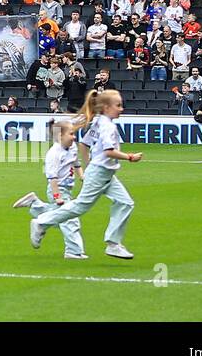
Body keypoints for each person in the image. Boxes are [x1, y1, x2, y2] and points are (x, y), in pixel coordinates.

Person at [29, 88, 142, 260]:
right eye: (118, 105)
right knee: (80, 206)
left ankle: (113, 244)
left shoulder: (98, 122)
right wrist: (130, 157)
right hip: (101, 173)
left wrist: (89, 166)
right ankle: (42, 221)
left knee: (125, 203)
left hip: (104, 173)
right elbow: (109, 151)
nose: (121, 109)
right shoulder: (107, 126)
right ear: (105, 107)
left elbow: (84, 144)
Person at [13, 120, 86, 260]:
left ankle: (35, 204)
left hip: (68, 189)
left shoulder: (72, 148)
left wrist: (82, 176)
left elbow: (76, 163)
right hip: (58, 189)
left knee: (59, 217)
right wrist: (57, 195)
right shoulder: (54, 154)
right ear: (60, 136)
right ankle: (73, 251)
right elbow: (52, 178)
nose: (74, 137)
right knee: (70, 219)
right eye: (71, 134)